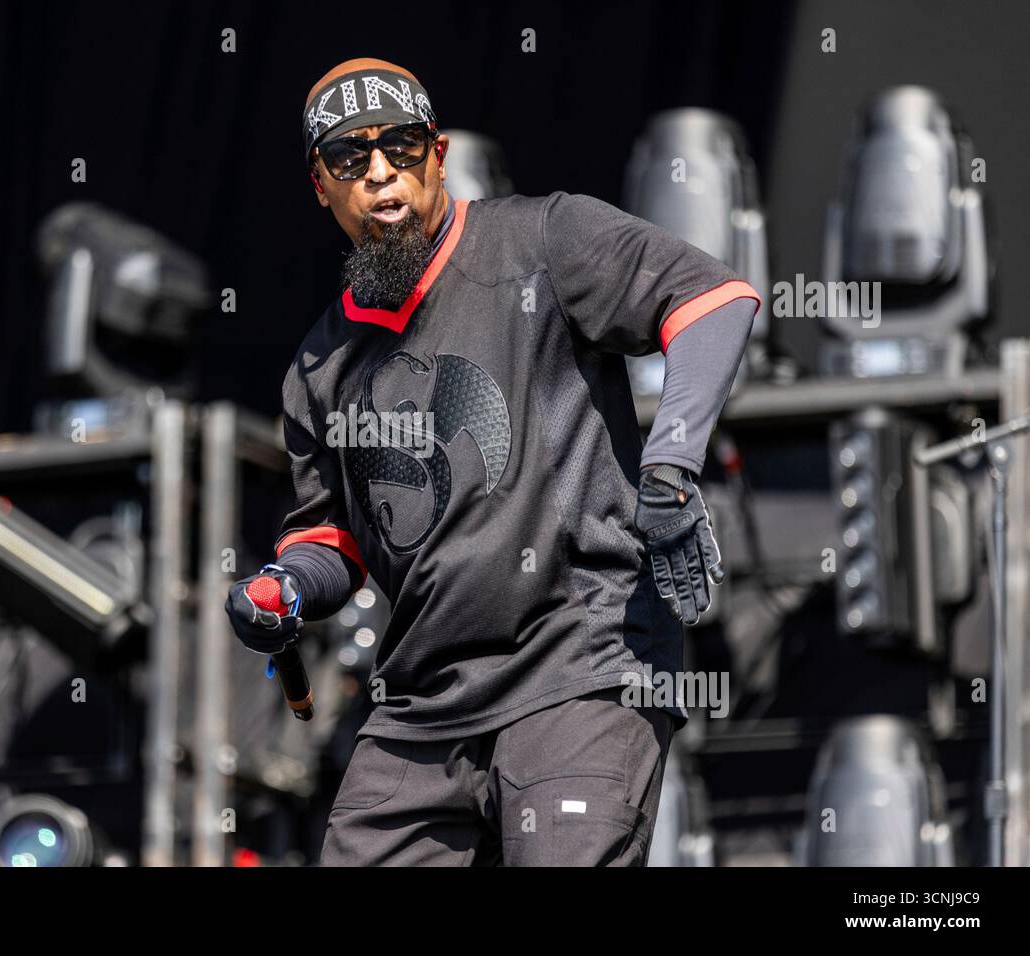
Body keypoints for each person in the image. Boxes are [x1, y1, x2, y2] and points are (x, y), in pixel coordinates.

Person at [226, 57, 759, 866]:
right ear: (321, 187)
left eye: (401, 149)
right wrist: (285, 587)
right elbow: (330, 539)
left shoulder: (545, 238)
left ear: (436, 155)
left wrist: (671, 468)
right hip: (417, 712)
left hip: (577, 672)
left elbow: (714, 303)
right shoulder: (317, 368)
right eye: (351, 160)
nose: (381, 176)